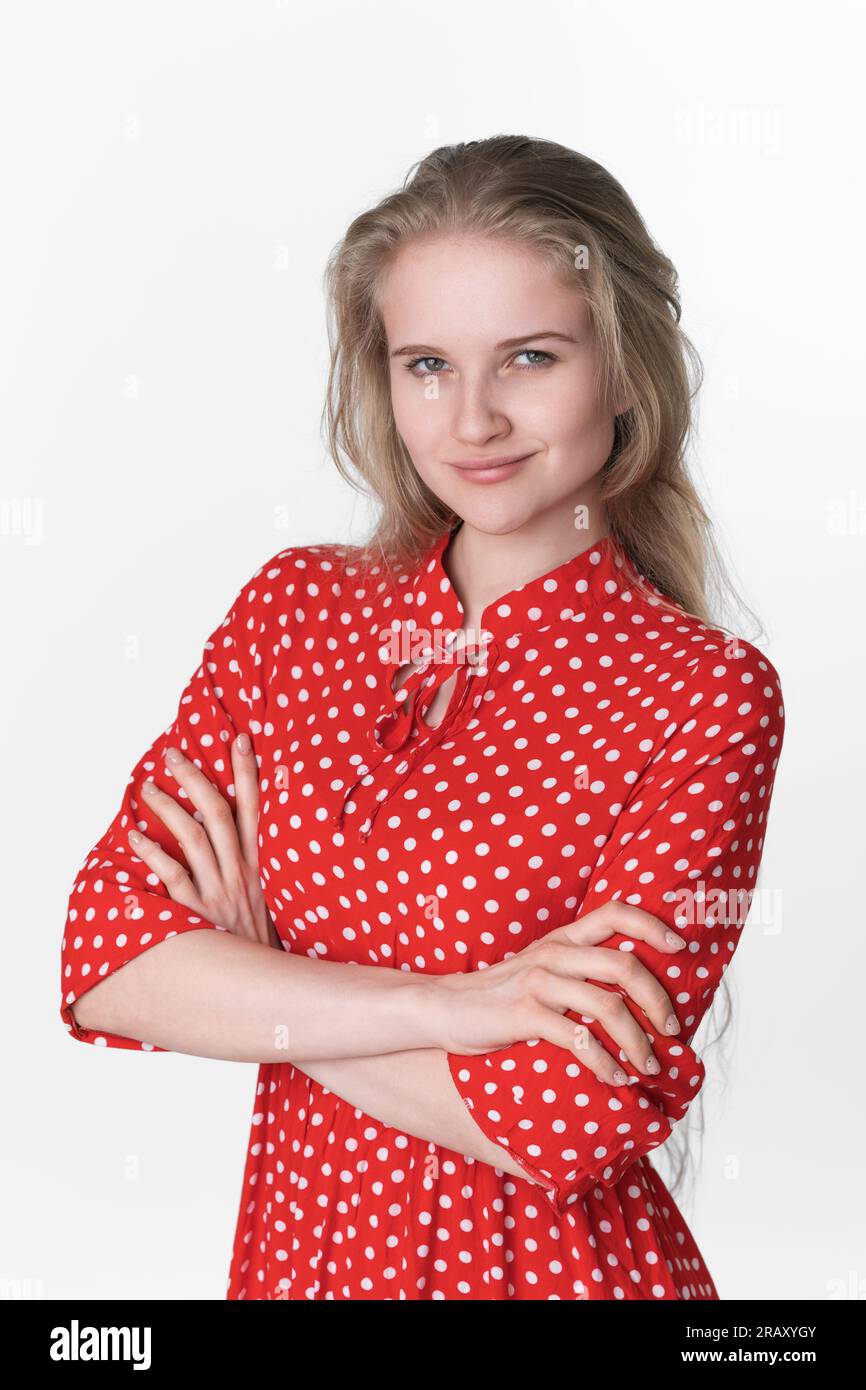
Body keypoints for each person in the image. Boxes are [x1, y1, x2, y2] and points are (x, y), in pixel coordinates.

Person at [60, 135, 785, 1300]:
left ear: (624, 367)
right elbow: (106, 962)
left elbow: (569, 1113)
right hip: (296, 1265)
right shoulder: (291, 612)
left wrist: (259, 976)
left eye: (530, 358)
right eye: (428, 364)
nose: (473, 419)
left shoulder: (700, 692)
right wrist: (459, 1007)